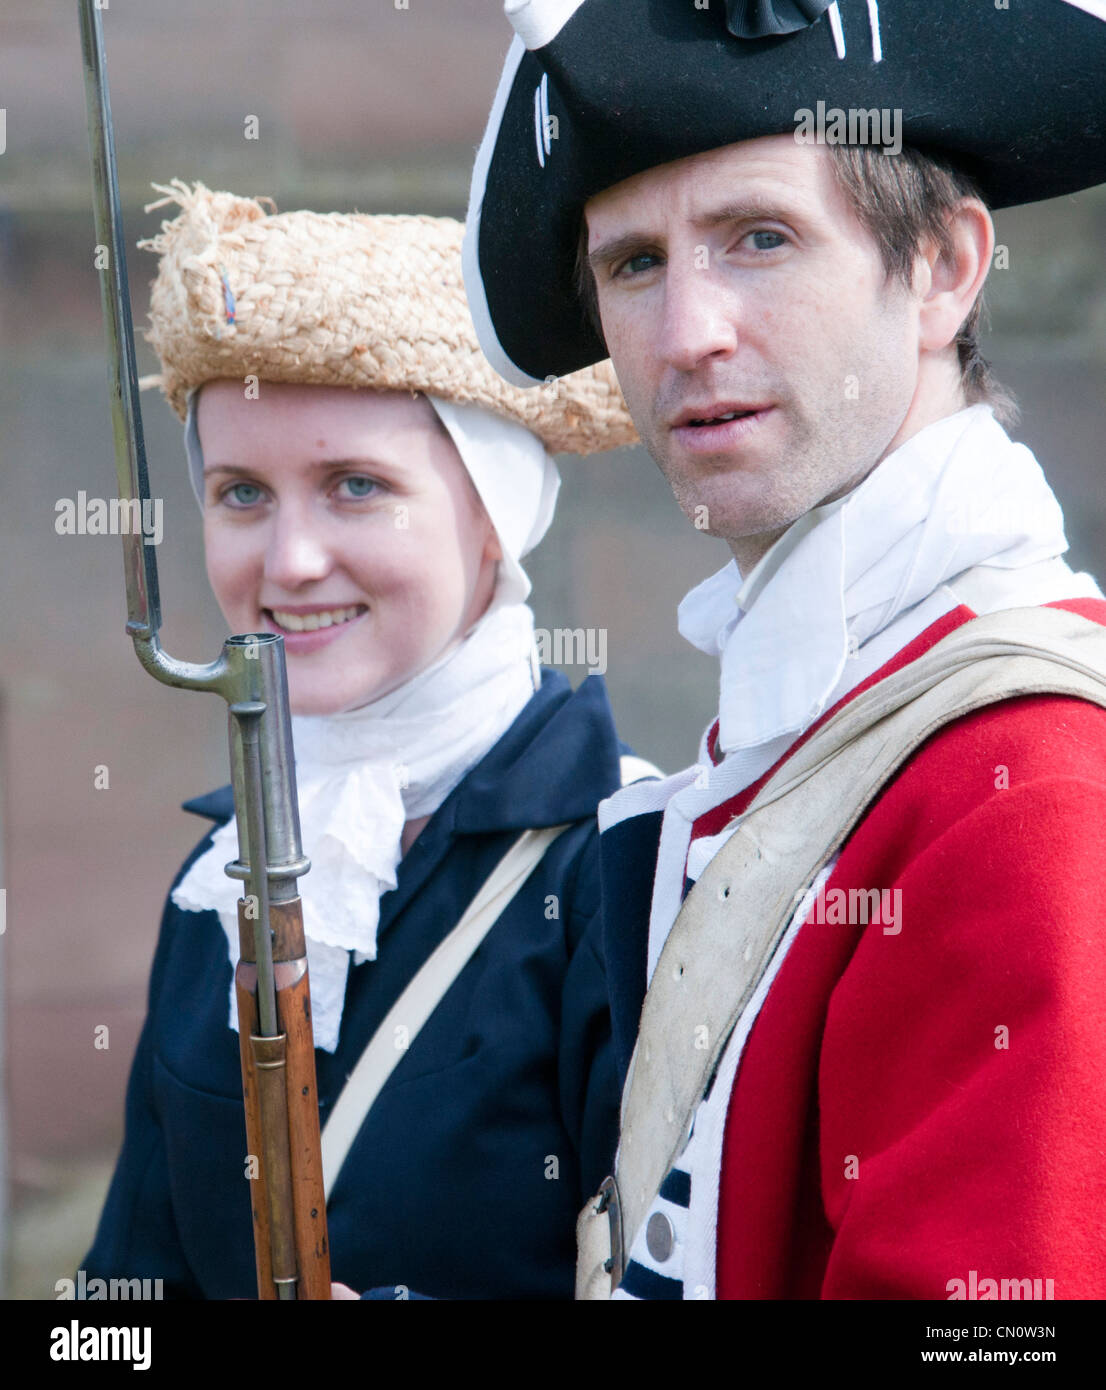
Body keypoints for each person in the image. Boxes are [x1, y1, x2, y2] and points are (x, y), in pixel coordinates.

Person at [463, 0, 1106, 1299]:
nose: (686, 331)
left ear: (940, 267)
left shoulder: (1027, 788)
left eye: (758, 237)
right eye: (633, 262)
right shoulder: (822, 715)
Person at [82, 180, 647, 1299]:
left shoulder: (627, 868)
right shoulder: (218, 879)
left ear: (493, 514)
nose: (287, 561)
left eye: (354, 486)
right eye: (241, 493)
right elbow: (122, 1296)